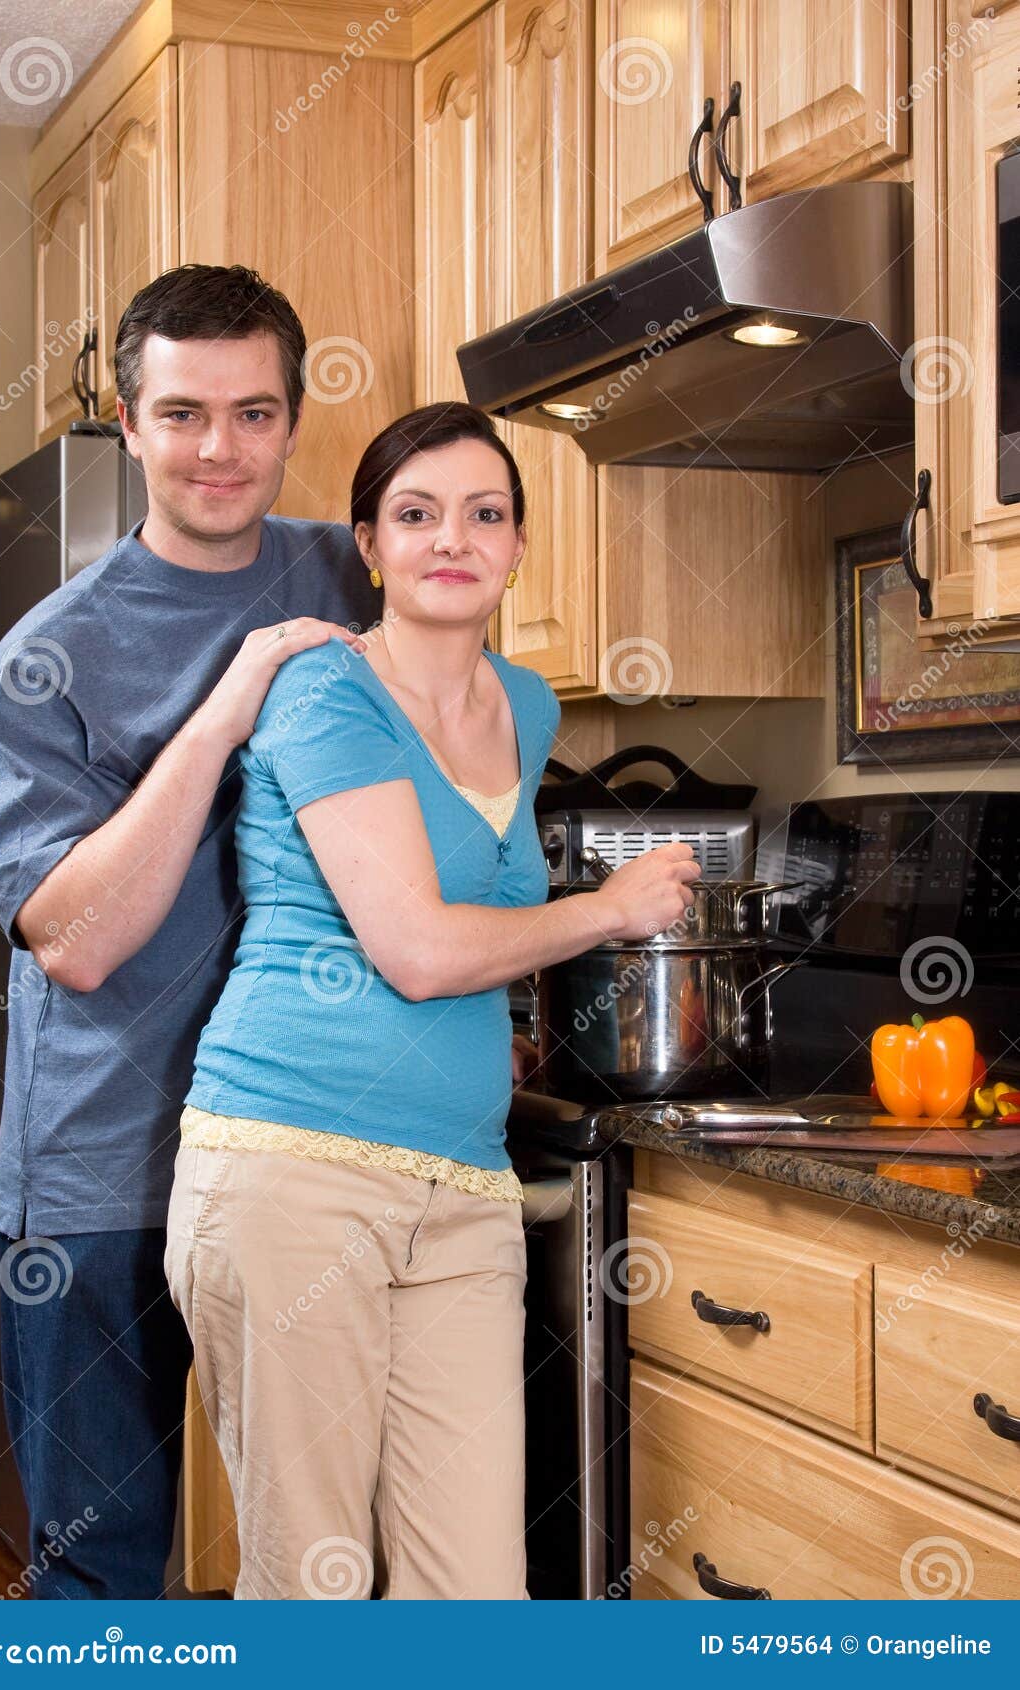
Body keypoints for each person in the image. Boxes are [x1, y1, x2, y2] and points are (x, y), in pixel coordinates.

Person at [164, 402, 701, 1600]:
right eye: (414, 514)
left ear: (517, 548)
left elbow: (469, 918)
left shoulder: (529, 704)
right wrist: (608, 910)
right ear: (369, 544)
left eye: (483, 513)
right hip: (291, 1171)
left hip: (458, 1188)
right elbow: (413, 947)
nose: (449, 538)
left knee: (473, 1593)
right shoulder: (321, 693)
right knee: (311, 1582)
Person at [0, 264, 383, 1597]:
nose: (220, 448)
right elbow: (78, 939)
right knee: (102, 1574)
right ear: (131, 426)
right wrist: (230, 699)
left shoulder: (350, 567)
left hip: (309, 1154)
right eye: (186, 413)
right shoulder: (48, 659)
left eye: (253, 413)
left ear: (291, 420)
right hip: (104, 1180)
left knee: (329, 1554)